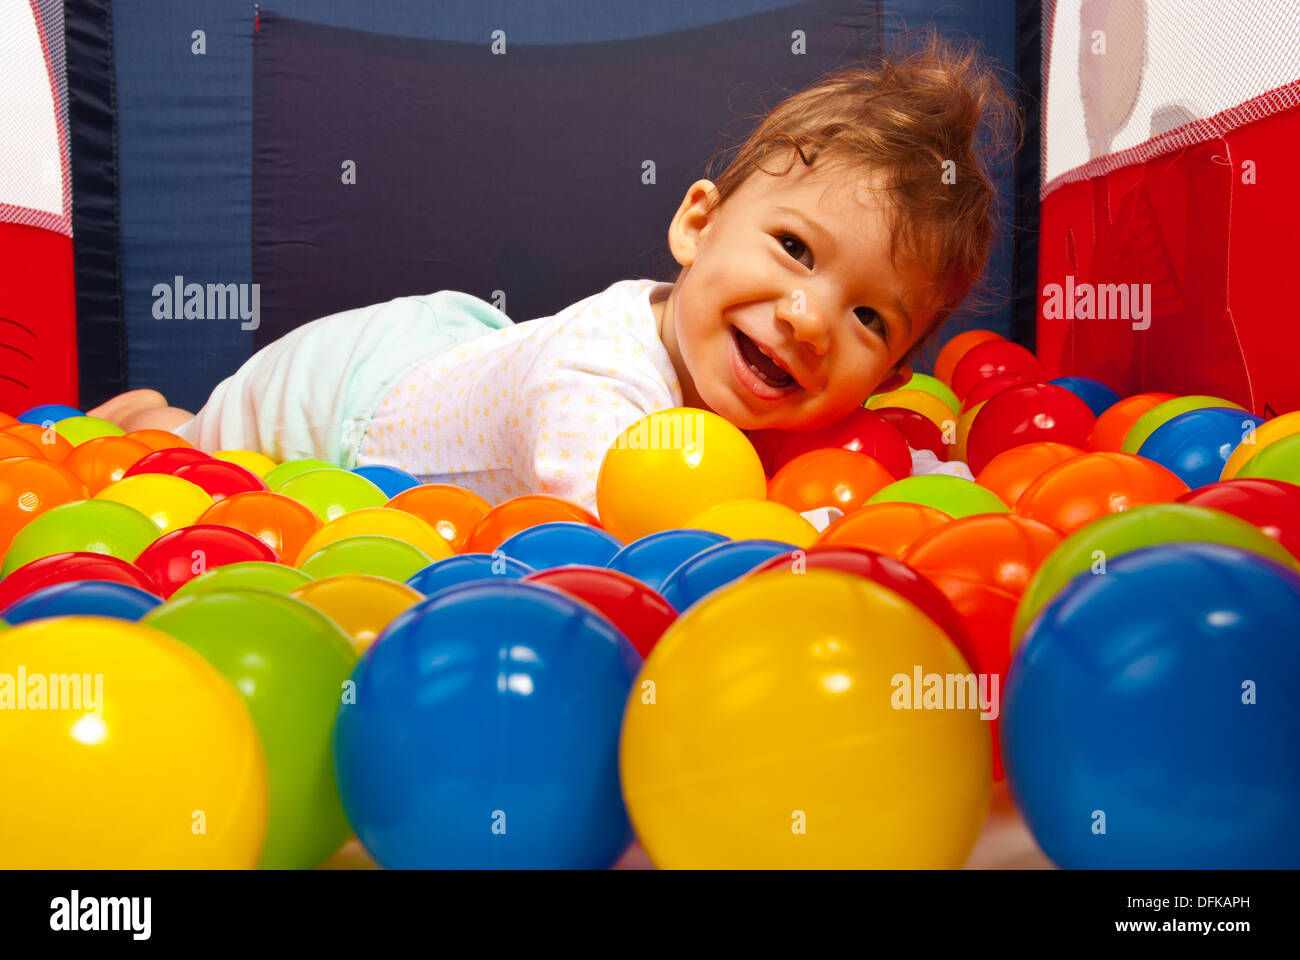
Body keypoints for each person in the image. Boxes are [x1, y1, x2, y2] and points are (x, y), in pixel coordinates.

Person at [90, 30, 1020, 519]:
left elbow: (908, 479)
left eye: (869, 318)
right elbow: (629, 530)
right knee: (199, 451)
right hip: (347, 395)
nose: (809, 319)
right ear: (697, 224)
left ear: (893, 374)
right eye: (795, 249)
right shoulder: (597, 384)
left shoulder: (807, 407)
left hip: (475, 357)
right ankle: (142, 411)